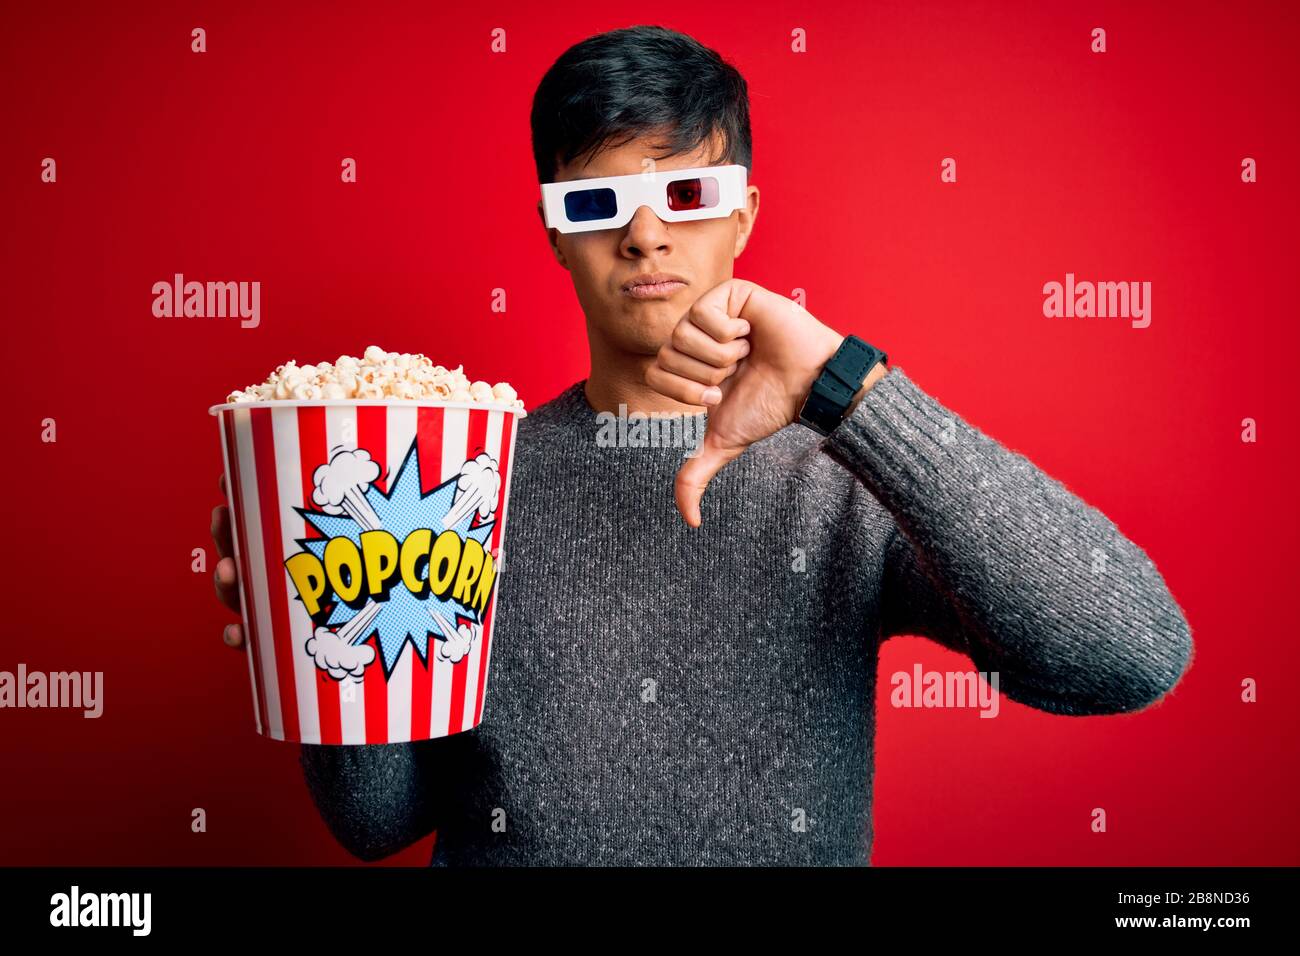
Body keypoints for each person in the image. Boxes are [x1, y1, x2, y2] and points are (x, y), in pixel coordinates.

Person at [210, 25, 1193, 865]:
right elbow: (375, 823)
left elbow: (1128, 654)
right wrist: (327, 628)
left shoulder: (839, 479)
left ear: (744, 215)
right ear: (553, 237)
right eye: (592, 204)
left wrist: (846, 388)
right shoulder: (461, 480)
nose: (643, 235)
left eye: (686, 194)